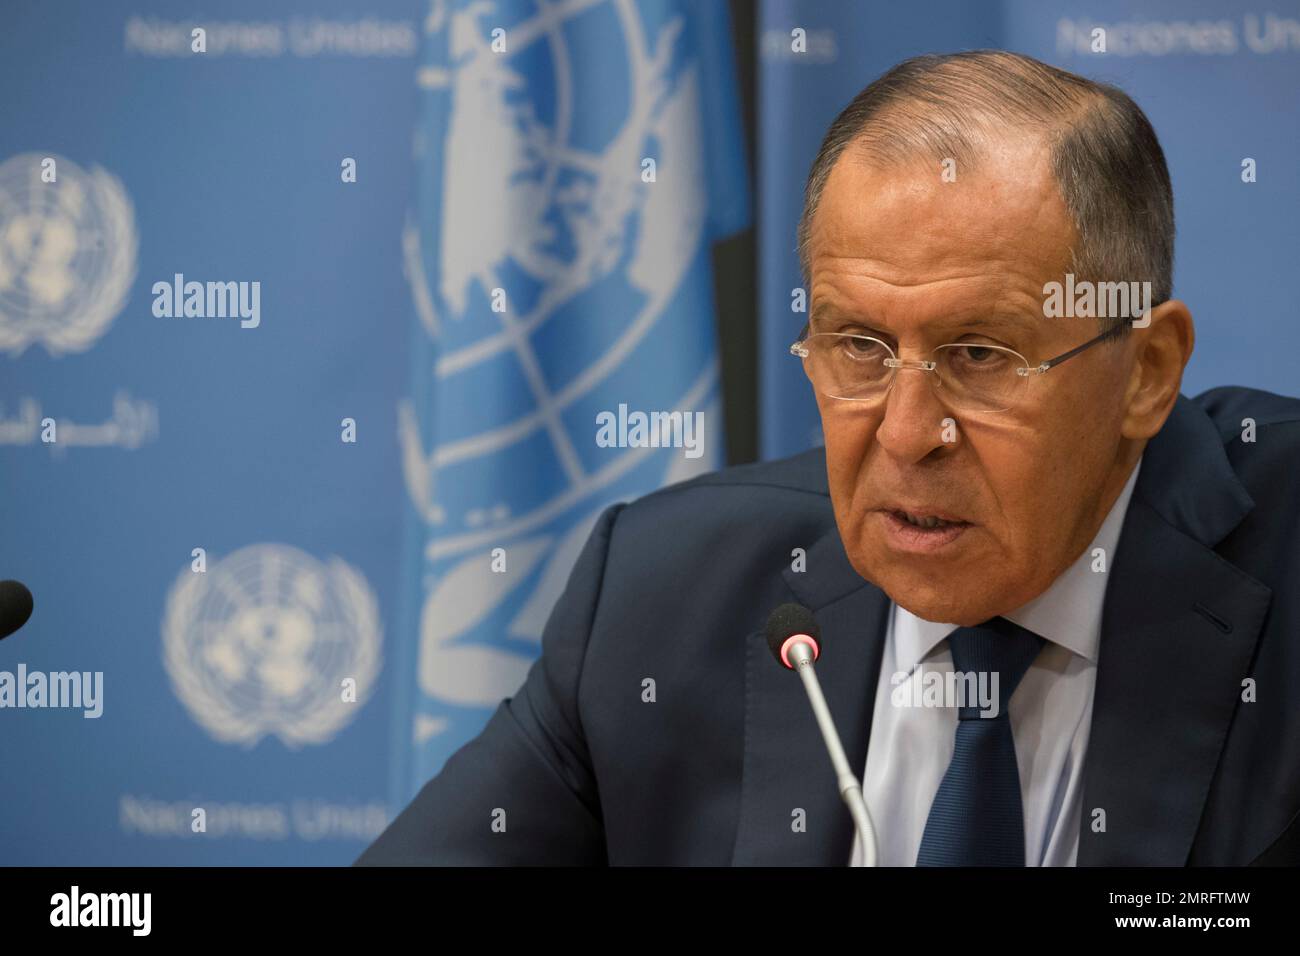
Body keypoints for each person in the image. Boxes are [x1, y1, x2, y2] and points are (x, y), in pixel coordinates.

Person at [357, 51, 1300, 866]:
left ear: (1145, 371)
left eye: (980, 356)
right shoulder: (658, 596)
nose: (903, 434)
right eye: (858, 346)